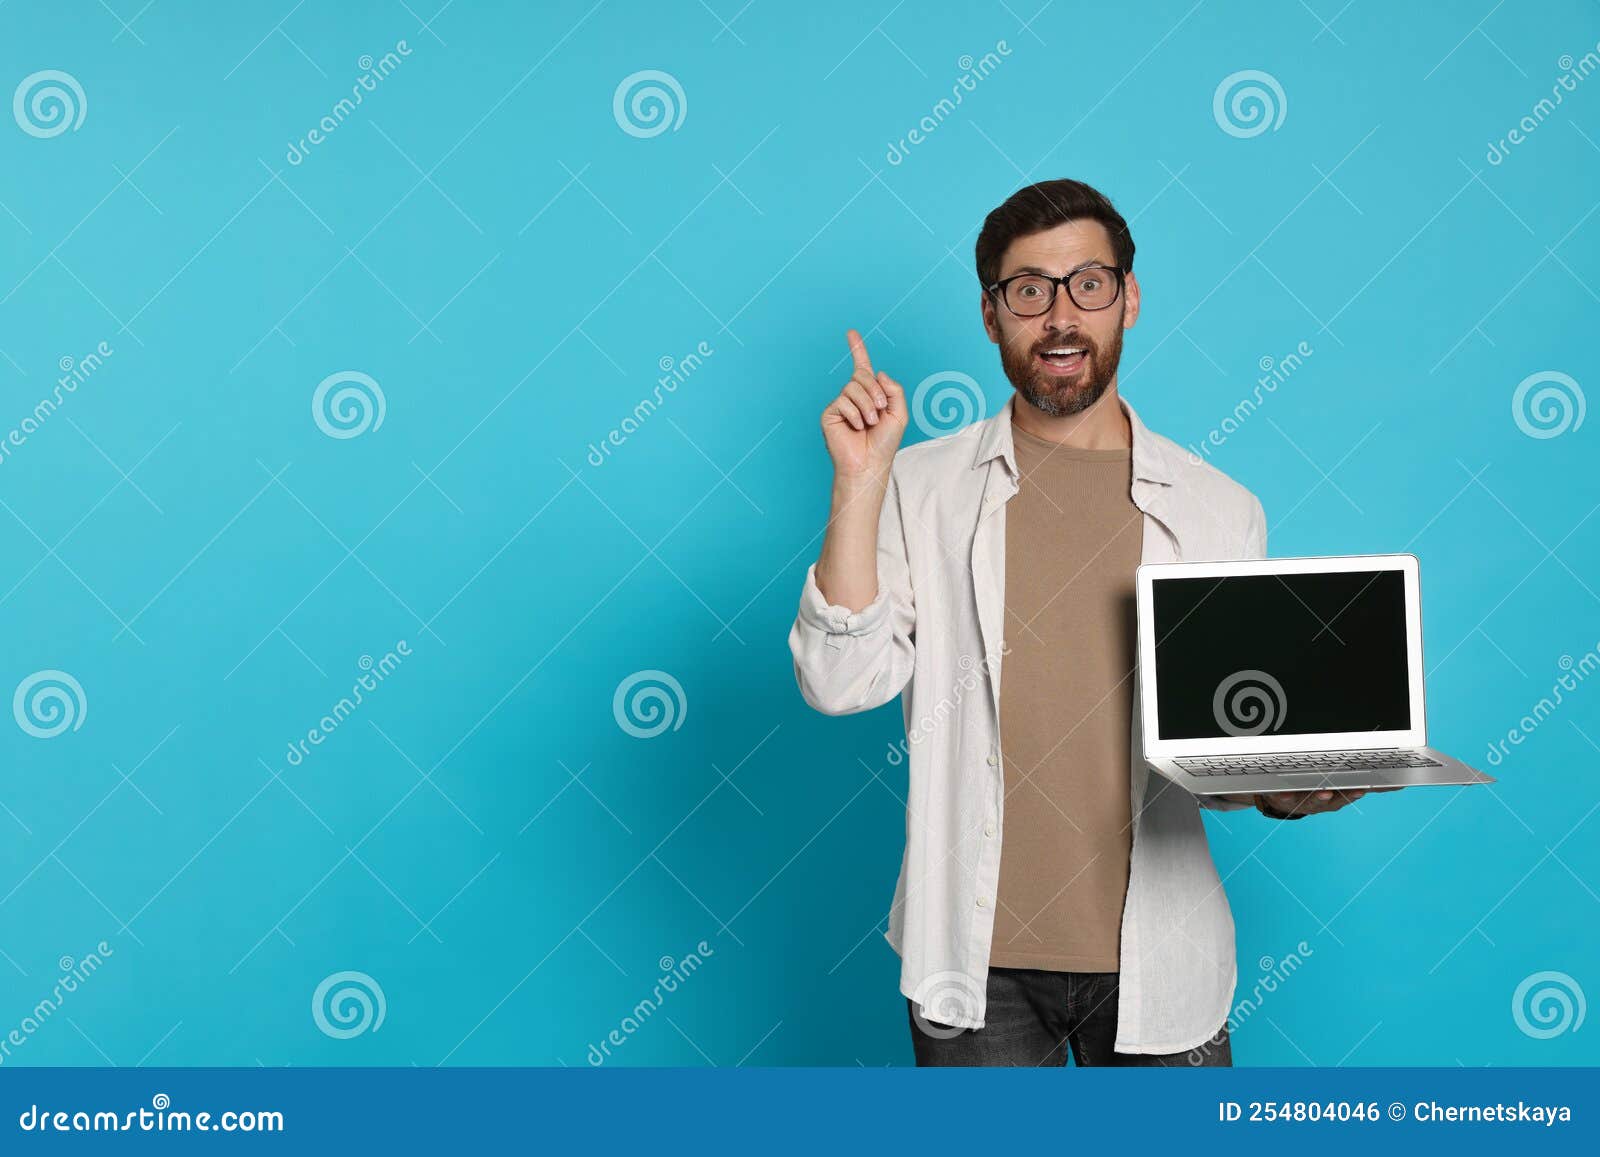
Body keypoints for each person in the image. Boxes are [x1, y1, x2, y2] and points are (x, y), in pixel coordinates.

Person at [787, 178, 1393, 1067]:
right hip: (973, 962)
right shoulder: (918, 486)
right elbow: (840, 683)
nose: (1061, 315)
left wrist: (1284, 782)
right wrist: (857, 481)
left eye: (1089, 285)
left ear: (1129, 299)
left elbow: (1222, 749)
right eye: (1029, 290)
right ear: (992, 316)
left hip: (1163, 957)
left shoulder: (1217, 508)